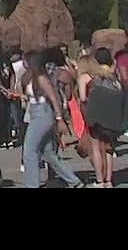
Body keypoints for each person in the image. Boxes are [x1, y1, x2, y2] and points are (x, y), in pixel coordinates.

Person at [18, 51, 83, 188]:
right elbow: (33, 97)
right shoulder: (30, 77)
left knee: (29, 151)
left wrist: (59, 119)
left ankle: (32, 185)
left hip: (43, 114)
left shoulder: (41, 78)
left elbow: (53, 98)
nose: (23, 63)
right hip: (35, 112)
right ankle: (74, 181)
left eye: (25, 60)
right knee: (48, 153)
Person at [77, 47, 121, 188]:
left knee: (96, 148)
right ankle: (109, 180)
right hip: (109, 114)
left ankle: (99, 180)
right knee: (108, 148)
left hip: (94, 113)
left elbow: (82, 98)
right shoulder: (107, 75)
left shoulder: (85, 77)